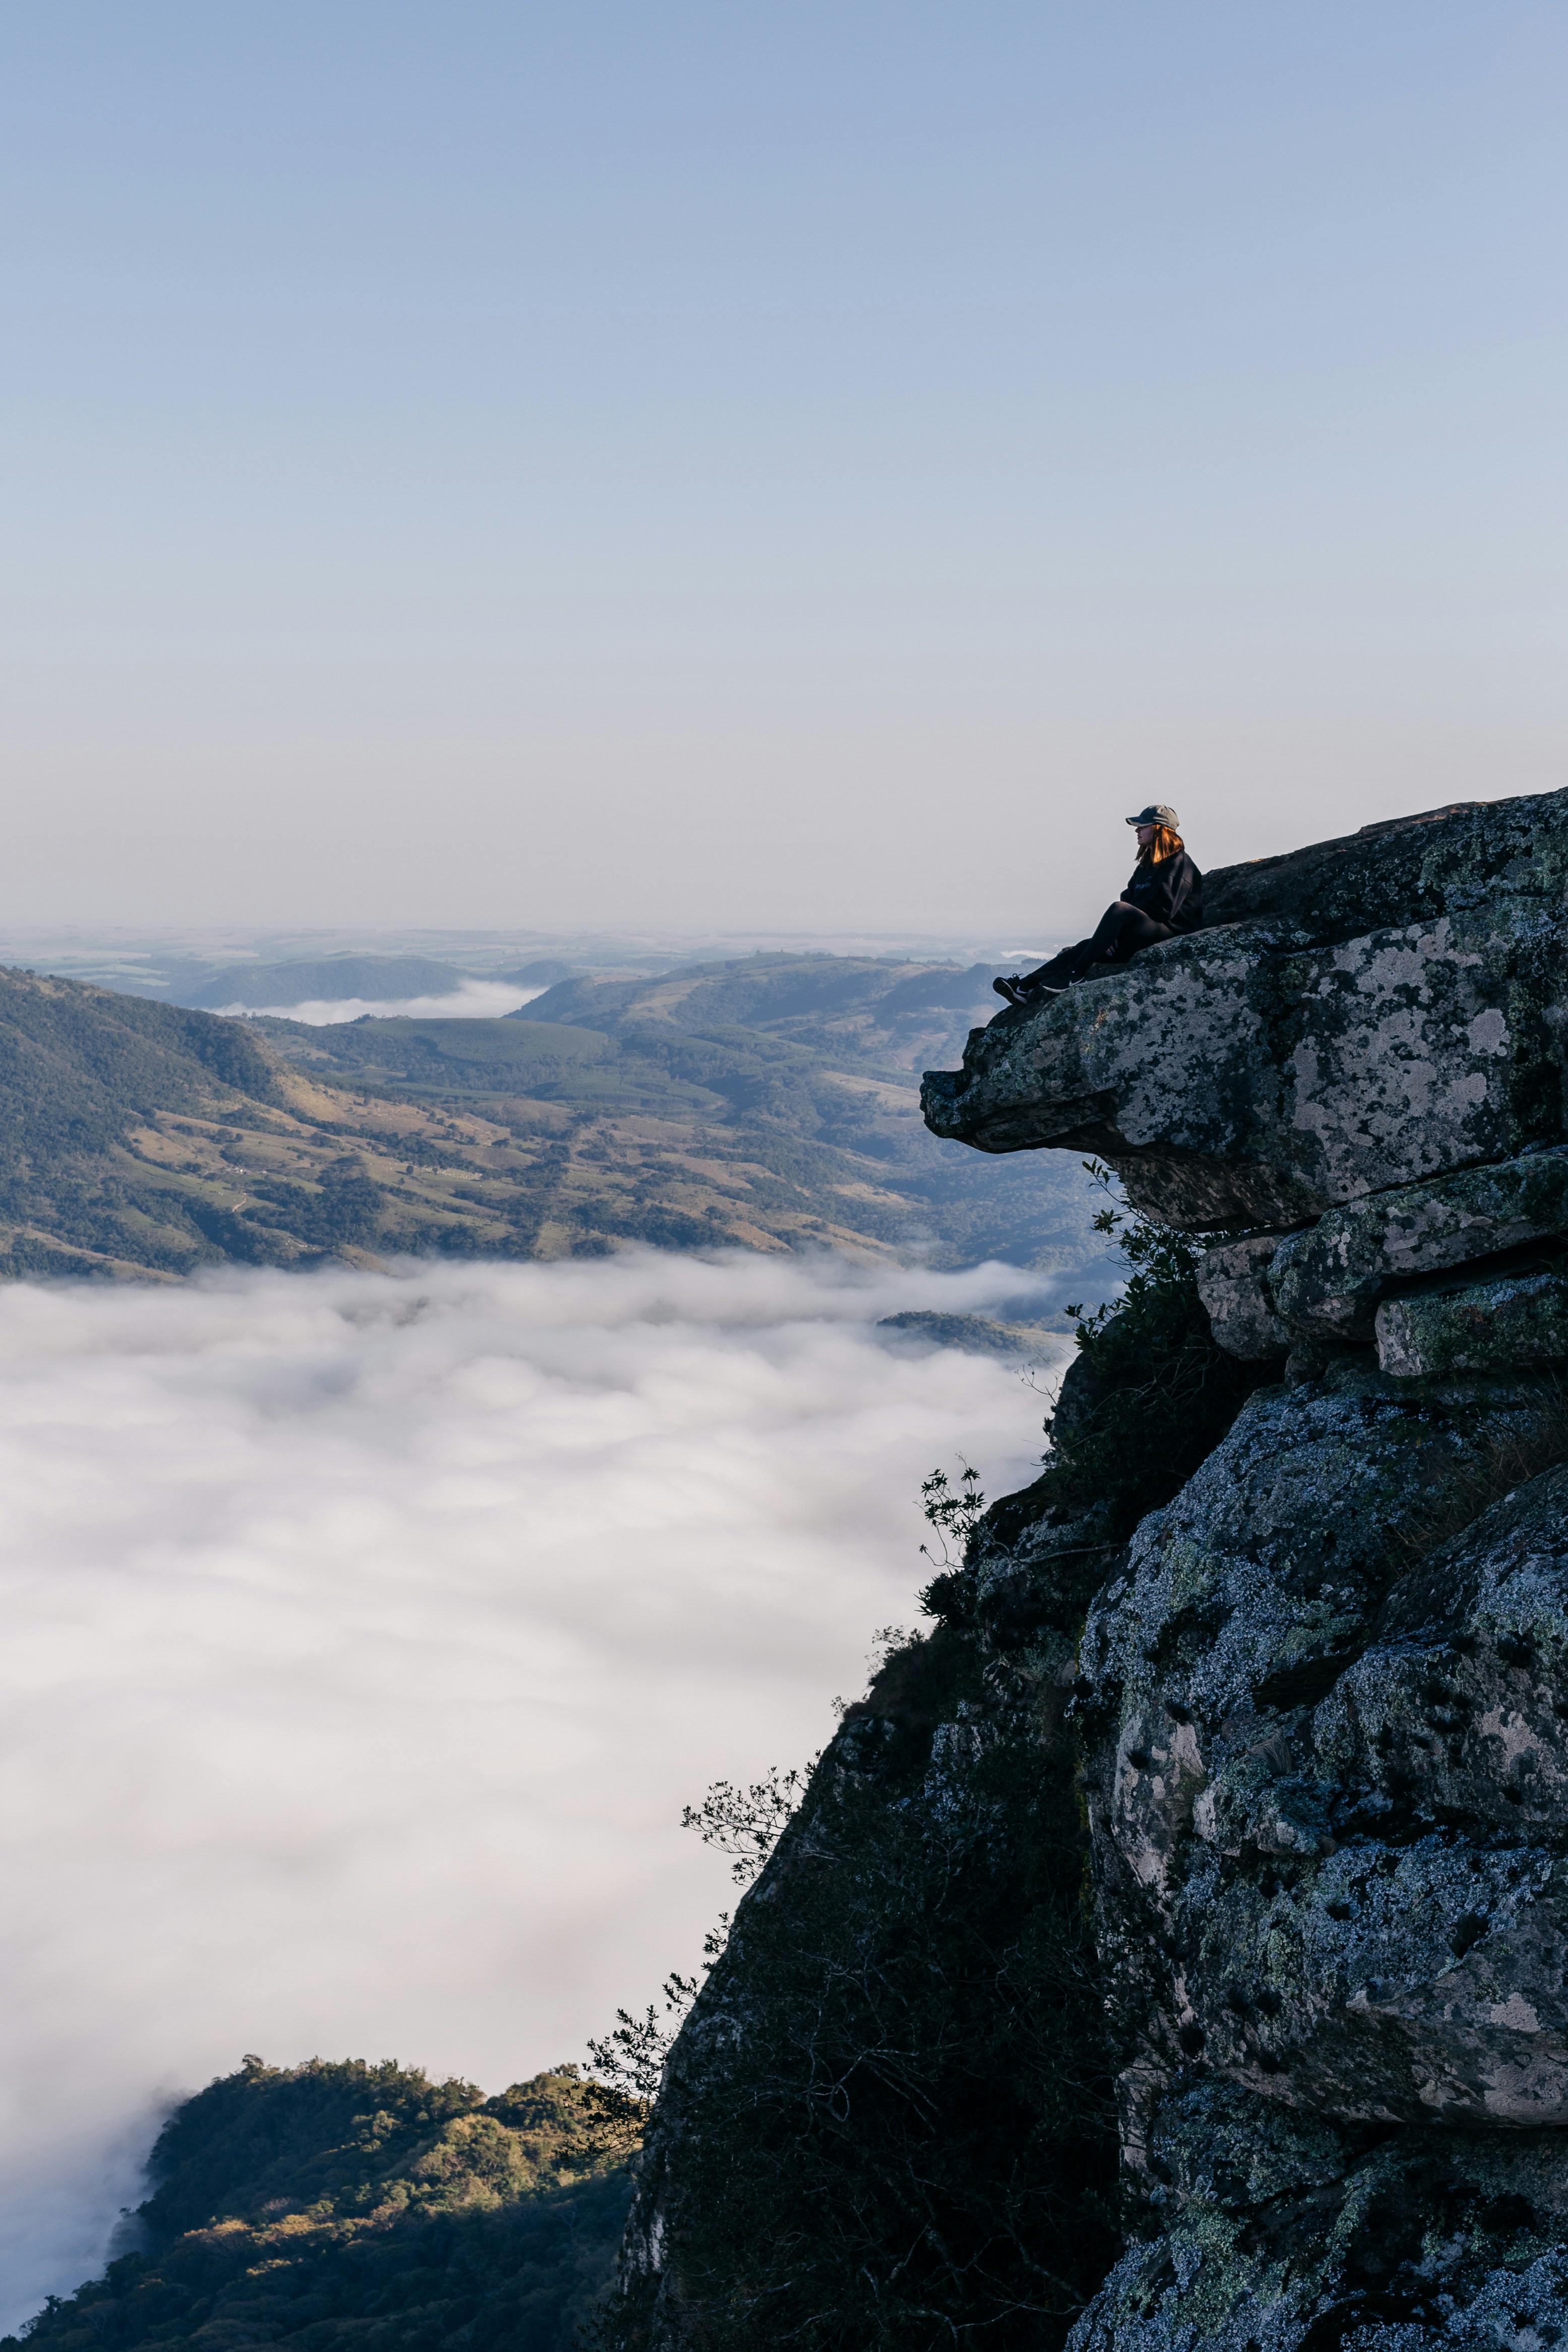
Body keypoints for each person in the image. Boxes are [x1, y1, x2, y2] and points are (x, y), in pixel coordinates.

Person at [992, 803, 1203, 1007]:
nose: (1137, 831)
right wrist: (1113, 934)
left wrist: (1121, 929)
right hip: (1144, 933)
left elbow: (1165, 909)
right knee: (1086, 946)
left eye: (1142, 826)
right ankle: (1023, 987)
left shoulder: (1179, 862)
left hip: (1171, 934)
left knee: (1118, 909)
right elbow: (1129, 898)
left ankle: (1075, 975)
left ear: (1159, 830)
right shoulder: (1146, 865)